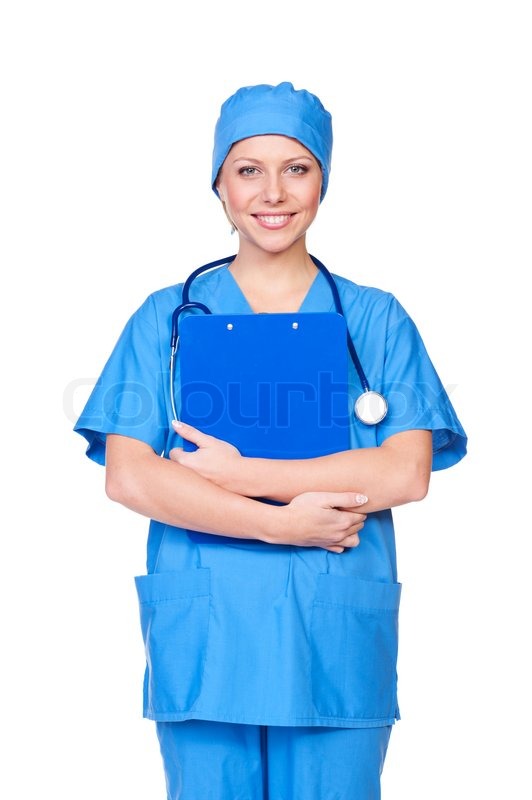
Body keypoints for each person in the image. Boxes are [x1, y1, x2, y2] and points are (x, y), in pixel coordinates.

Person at [75, 81, 467, 800]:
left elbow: (406, 472)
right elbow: (131, 476)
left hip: (333, 638)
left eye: (297, 167)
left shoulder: (375, 320)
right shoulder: (168, 319)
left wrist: (239, 470)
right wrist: (283, 525)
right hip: (210, 636)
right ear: (218, 183)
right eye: (248, 169)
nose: (272, 192)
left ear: (324, 180)